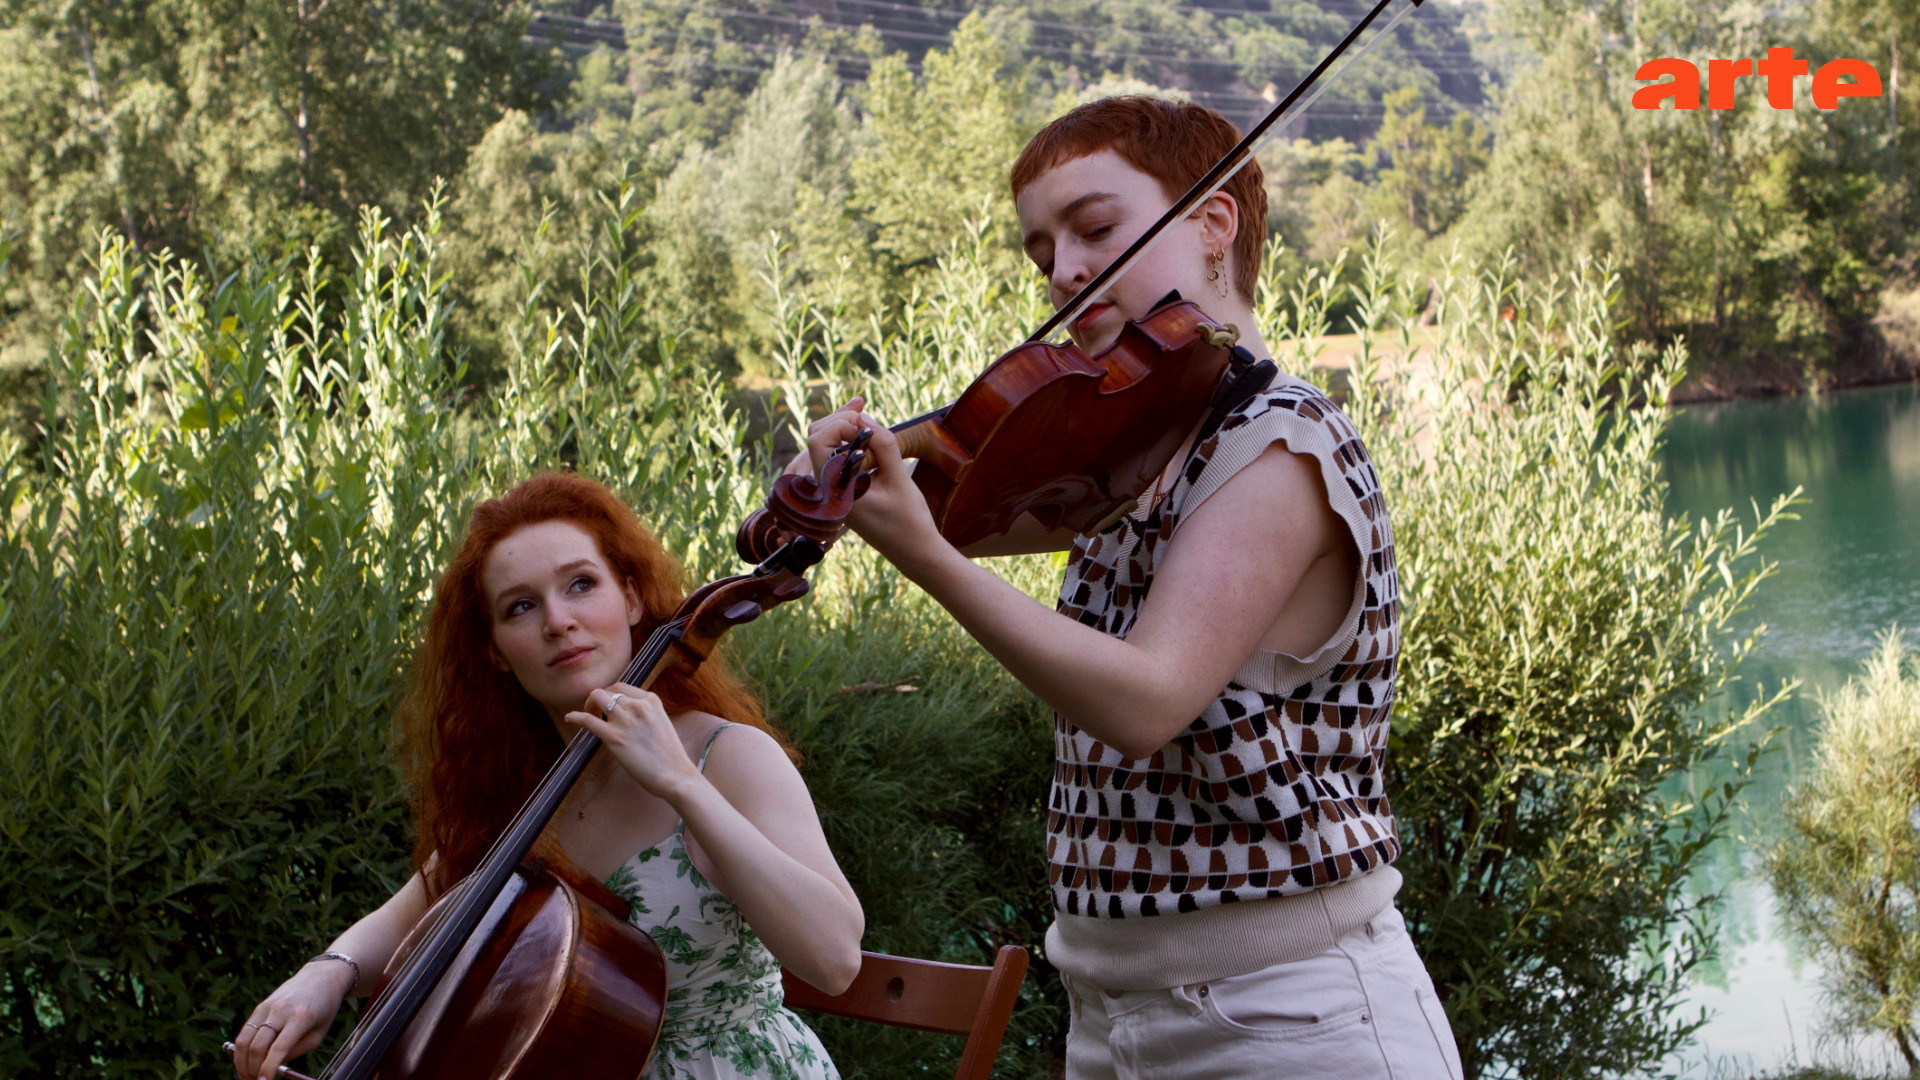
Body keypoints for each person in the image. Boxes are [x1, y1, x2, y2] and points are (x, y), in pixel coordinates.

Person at [797, 97, 1463, 1078]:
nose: (1064, 272)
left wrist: (922, 552)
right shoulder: (1143, 452)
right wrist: (854, 472)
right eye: (1042, 252)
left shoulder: (1279, 440)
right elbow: (965, 507)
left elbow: (1146, 699)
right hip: (1113, 1015)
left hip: (1289, 1017)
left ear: (1214, 224)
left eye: (1096, 229)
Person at [230, 472, 863, 1080]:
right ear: (496, 651)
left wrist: (682, 784)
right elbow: (412, 917)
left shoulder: (726, 756)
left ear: (631, 598)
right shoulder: (524, 791)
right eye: (521, 606)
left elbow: (834, 959)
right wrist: (327, 972)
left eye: (581, 584)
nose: (557, 621)